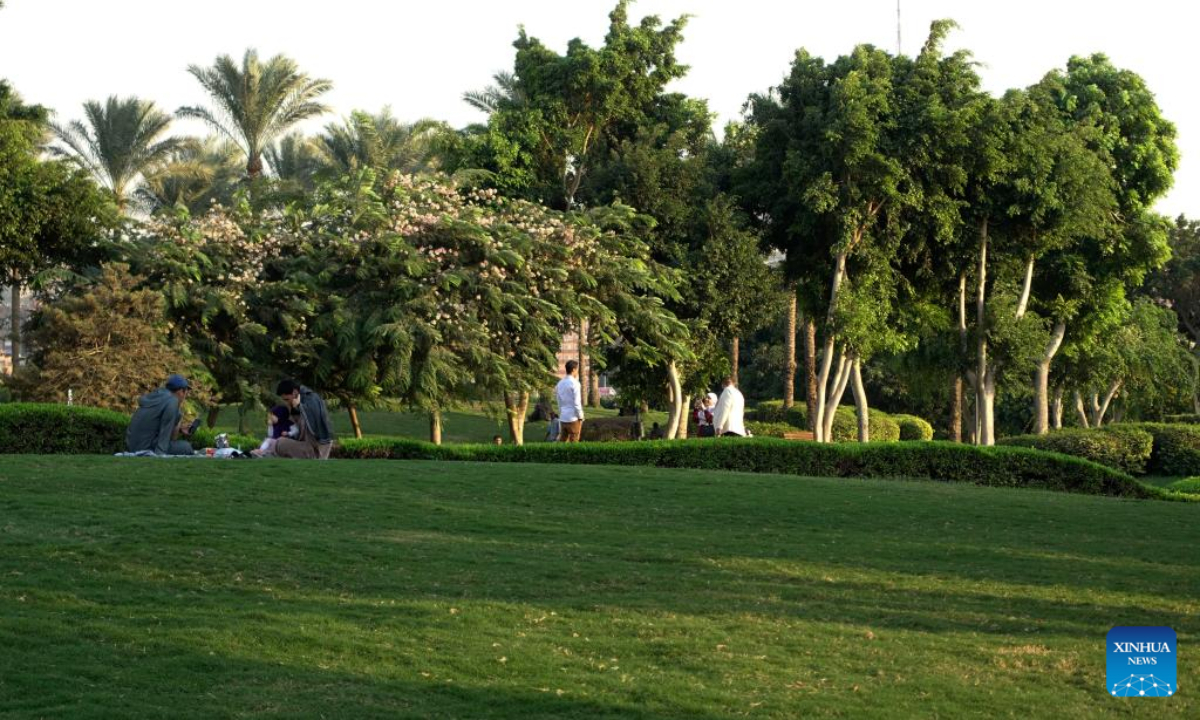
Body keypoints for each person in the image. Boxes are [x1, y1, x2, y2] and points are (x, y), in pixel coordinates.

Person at [126, 374, 196, 455]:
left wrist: (179, 428)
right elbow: (165, 437)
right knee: (186, 447)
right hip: (146, 447)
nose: (185, 396)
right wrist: (160, 456)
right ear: (180, 391)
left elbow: (170, 435)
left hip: (132, 445)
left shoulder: (157, 395)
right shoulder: (172, 401)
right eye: (186, 392)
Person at [273, 379, 335, 460]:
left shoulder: (312, 398)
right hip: (306, 445)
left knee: (279, 444)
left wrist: (299, 406)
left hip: (317, 448)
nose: (287, 403)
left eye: (287, 399)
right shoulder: (298, 403)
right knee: (278, 442)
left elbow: (314, 417)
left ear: (295, 392)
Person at [555, 360, 584, 442]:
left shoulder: (560, 383)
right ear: (574, 370)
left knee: (562, 442)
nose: (577, 372)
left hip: (563, 417)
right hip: (573, 418)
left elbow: (559, 401)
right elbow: (577, 403)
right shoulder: (575, 383)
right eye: (577, 370)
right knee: (574, 442)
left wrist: (561, 413)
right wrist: (581, 416)